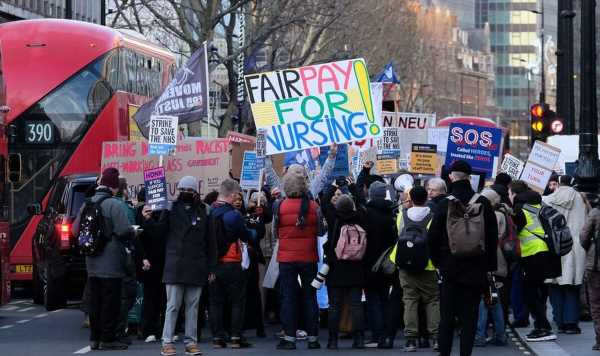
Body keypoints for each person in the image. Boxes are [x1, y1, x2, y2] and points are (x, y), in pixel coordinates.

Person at [428, 160, 498, 356]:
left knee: (447, 318)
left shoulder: (444, 203)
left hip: (450, 267)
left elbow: (432, 237)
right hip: (476, 268)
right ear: (469, 177)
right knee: (470, 317)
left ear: (451, 176)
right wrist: (489, 267)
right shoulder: (483, 203)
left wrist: (438, 262)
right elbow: (492, 239)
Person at [142, 176, 216, 356]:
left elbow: (211, 242)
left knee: (193, 307)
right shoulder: (171, 210)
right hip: (176, 265)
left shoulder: (204, 211)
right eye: (183, 190)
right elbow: (158, 233)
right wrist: (148, 220)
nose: (185, 193)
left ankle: (191, 342)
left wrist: (212, 267)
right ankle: (167, 342)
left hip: (196, 265)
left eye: (189, 190)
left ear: (195, 192)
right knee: (173, 306)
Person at [74, 167, 135, 351]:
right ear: (114, 187)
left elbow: (76, 230)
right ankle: (108, 339)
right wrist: (134, 231)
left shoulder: (87, 203)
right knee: (111, 302)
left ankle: (95, 338)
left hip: (91, 261)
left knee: (95, 301)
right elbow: (124, 230)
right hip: (112, 262)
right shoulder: (114, 205)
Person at [274, 165, 323, 350]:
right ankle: (313, 338)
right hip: (309, 257)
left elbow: (275, 232)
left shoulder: (279, 205)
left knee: (289, 297)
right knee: (310, 297)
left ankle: (289, 338)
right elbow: (321, 230)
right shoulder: (313, 206)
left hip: (286, 258)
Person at [509, 180, 561, 342]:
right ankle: (540, 326)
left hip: (533, 253)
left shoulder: (519, 208)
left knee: (528, 293)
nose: (509, 197)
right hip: (546, 252)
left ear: (515, 193)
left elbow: (513, 232)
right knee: (538, 292)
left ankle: (544, 327)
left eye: (509, 193)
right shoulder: (537, 204)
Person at [209, 179, 257, 349]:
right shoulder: (233, 215)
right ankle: (236, 337)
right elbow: (247, 236)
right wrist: (253, 230)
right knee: (237, 301)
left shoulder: (209, 212)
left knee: (215, 302)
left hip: (213, 265)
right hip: (232, 262)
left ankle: (217, 338)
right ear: (232, 194)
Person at [395, 185, 440, 352]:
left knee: (410, 300)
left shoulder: (403, 215)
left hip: (405, 264)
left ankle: (411, 340)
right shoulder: (433, 217)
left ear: (411, 199)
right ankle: (435, 338)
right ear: (426, 198)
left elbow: (399, 234)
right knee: (432, 300)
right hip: (428, 265)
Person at [543, 175, 587, 334]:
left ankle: (559, 321)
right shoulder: (580, 200)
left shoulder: (548, 199)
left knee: (555, 286)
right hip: (575, 247)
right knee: (572, 287)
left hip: (554, 246)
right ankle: (571, 323)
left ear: (559, 184)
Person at [322, 194, 367, 350]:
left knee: (334, 305)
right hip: (356, 267)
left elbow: (325, 204)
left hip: (336, 267)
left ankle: (332, 340)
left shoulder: (334, 218)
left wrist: (333, 193)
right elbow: (362, 204)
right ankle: (359, 338)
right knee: (356, 305)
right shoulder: (360, 218)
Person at [363, 181, 398, 348]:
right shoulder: (391, 213)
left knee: (372, 300)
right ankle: (386, 333)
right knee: (385, 298)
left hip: (370, 262)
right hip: (387, 262)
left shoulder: (367, 213)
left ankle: (377, 335)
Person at [475, 188, 509, 347]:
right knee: (494, 300)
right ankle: (501, 334)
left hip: (487, 259)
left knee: (483, 300)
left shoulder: (489, 215)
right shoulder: (503, 214)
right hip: (499, 260)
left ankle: (480, 335)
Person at [136, 188, 167, 343]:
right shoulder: (139, 213)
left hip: (162, 261)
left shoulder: (164, 213)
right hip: (148, 261)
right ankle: (147, 329)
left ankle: (159, 329)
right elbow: (137, 238)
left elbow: (160, 234)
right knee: (150, 296)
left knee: (161, 297)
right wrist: (143, 258)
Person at [580, 193, 600, 350]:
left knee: (596, 303)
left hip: (595, 265)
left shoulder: (595, 212)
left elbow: (583, 237)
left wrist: (590, 249)